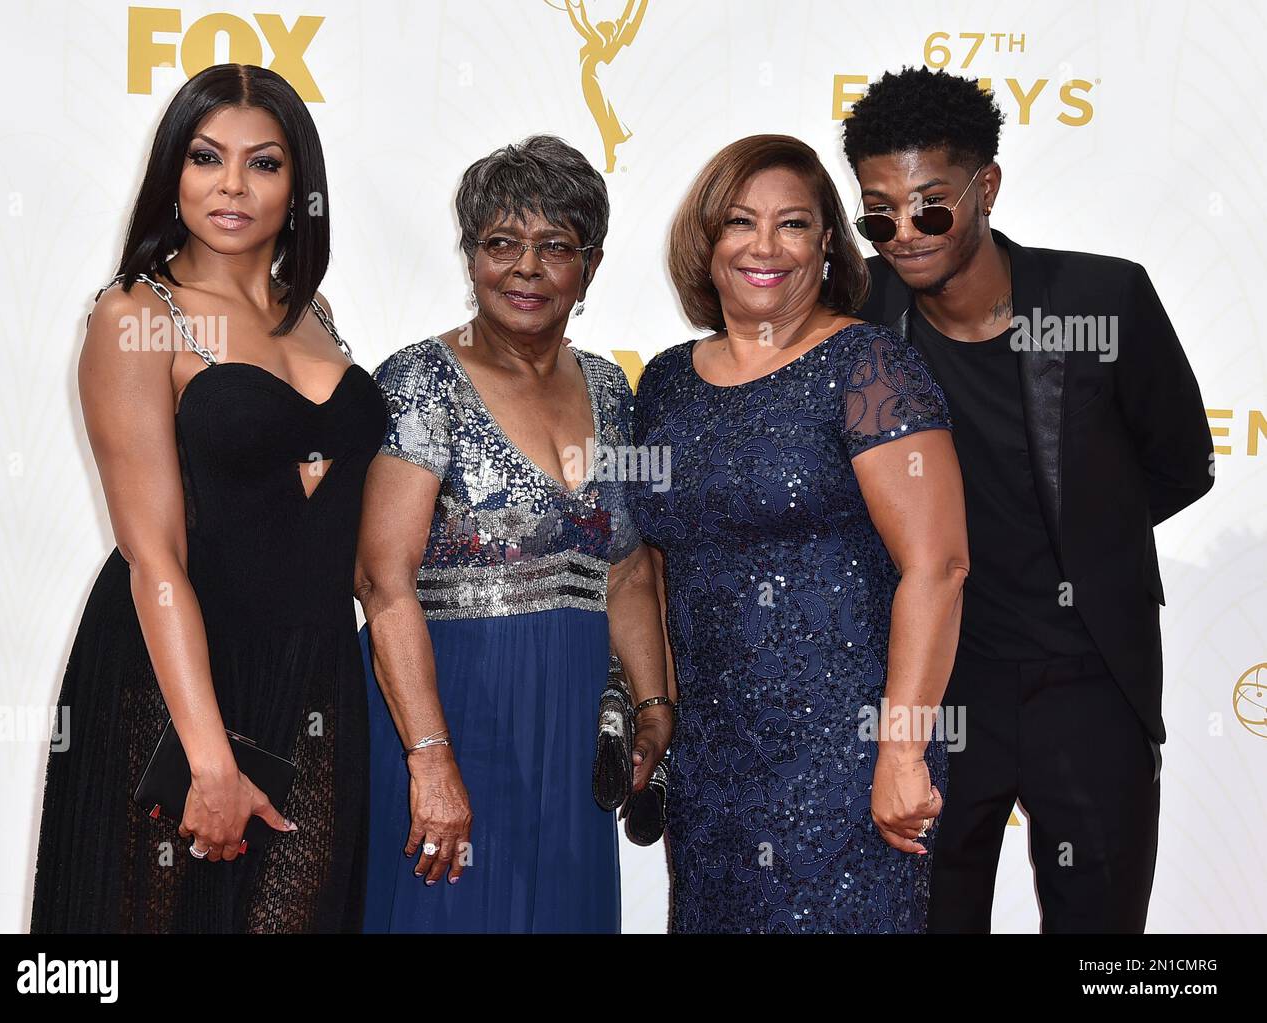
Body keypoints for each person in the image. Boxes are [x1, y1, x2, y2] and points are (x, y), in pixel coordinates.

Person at [843, 66, 1215, 933]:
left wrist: (1083, 540)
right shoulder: (858, 309)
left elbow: (1182, 462)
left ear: (987, 188)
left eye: (930, 206)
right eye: (878, 212)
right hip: (938, 682)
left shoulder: (1103, 299)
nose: (904, 232)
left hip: (1089, 680)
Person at [28, 64, 388, 933]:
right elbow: (153, 553)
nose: (231, 185)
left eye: (263, 163)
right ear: (172, 174)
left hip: (314, 679)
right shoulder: (135, 316)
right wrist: (210, 755)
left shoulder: (317, 311)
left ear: (300, 185)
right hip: (180, 677)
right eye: (204, 157)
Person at [627, 134, 969, 933]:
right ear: (705, 244)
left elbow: (940, 565)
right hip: (714, 768)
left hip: (848, 767)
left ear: (825, 245)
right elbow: (653, 560)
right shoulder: (668, 381)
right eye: (740, 222)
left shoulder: (869, 366)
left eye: (793, 224)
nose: (765, 247)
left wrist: (902, 752)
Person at [354, 135, 672, 933]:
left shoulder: (609, 385)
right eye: (502, 243)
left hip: (570, 727)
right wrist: (429, 759)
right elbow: (381, 580)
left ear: (590, 266)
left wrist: (655, 697)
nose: (525, 268)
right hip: (451, 709)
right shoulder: (421, 379)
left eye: (554, 247)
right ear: (471, 256)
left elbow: (628, 566)